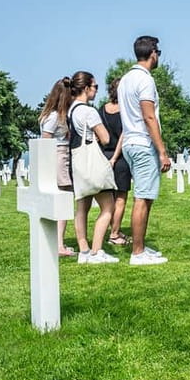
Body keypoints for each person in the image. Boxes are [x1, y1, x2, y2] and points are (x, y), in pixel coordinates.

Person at [117, 35, 171, 265]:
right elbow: (149, 116)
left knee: (145, 197)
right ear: (153, 53)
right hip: (142, 142)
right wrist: (162, 151)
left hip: (130, 141)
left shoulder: (125, 79)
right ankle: (137, 253)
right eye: (158, 53)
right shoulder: (145, 80)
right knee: (142, 198)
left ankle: (141, 247)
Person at [67, 70, 119, 264]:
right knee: (108, 207)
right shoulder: (89, 111)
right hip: (92, 163)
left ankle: (84, 251)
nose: (96, 90)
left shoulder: (72, 110)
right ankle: (97, 251)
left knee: (82, 207)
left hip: (78, 163)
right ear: (86, 88)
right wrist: (98, 136)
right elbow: (105, 138)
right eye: (95, 86)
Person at [38, 77, 76, 257]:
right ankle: (59, 245)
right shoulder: (54, 117)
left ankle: (57, 242)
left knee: (64, 199)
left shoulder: (55, 115)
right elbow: (46, 140)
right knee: (63, 200)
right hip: (59, 157)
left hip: (61, 156)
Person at [98, 78, 132, 246]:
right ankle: (114, 233)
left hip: (103, 155)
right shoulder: (126, 110)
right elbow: (123, 136)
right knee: (120, 198)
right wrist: (115, 157)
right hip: (119, 159)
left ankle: (109, 231)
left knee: (108, 198)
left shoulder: (101, 110)